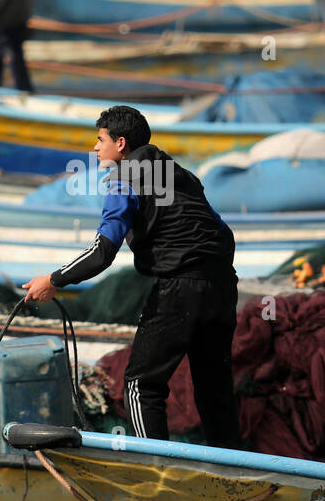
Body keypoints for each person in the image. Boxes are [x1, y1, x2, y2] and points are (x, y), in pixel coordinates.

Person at [21, 106, 244, 448]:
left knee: (142, 384)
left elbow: (102, 252)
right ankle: (235, 472)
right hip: (223, 286)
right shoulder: (178, 174)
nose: (95, 148)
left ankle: (152, 470)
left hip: (180, 288)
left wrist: (54, 280)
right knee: (214, 388)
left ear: (120, 143)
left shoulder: (124, 180)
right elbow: (220, 230)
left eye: (100, 140)